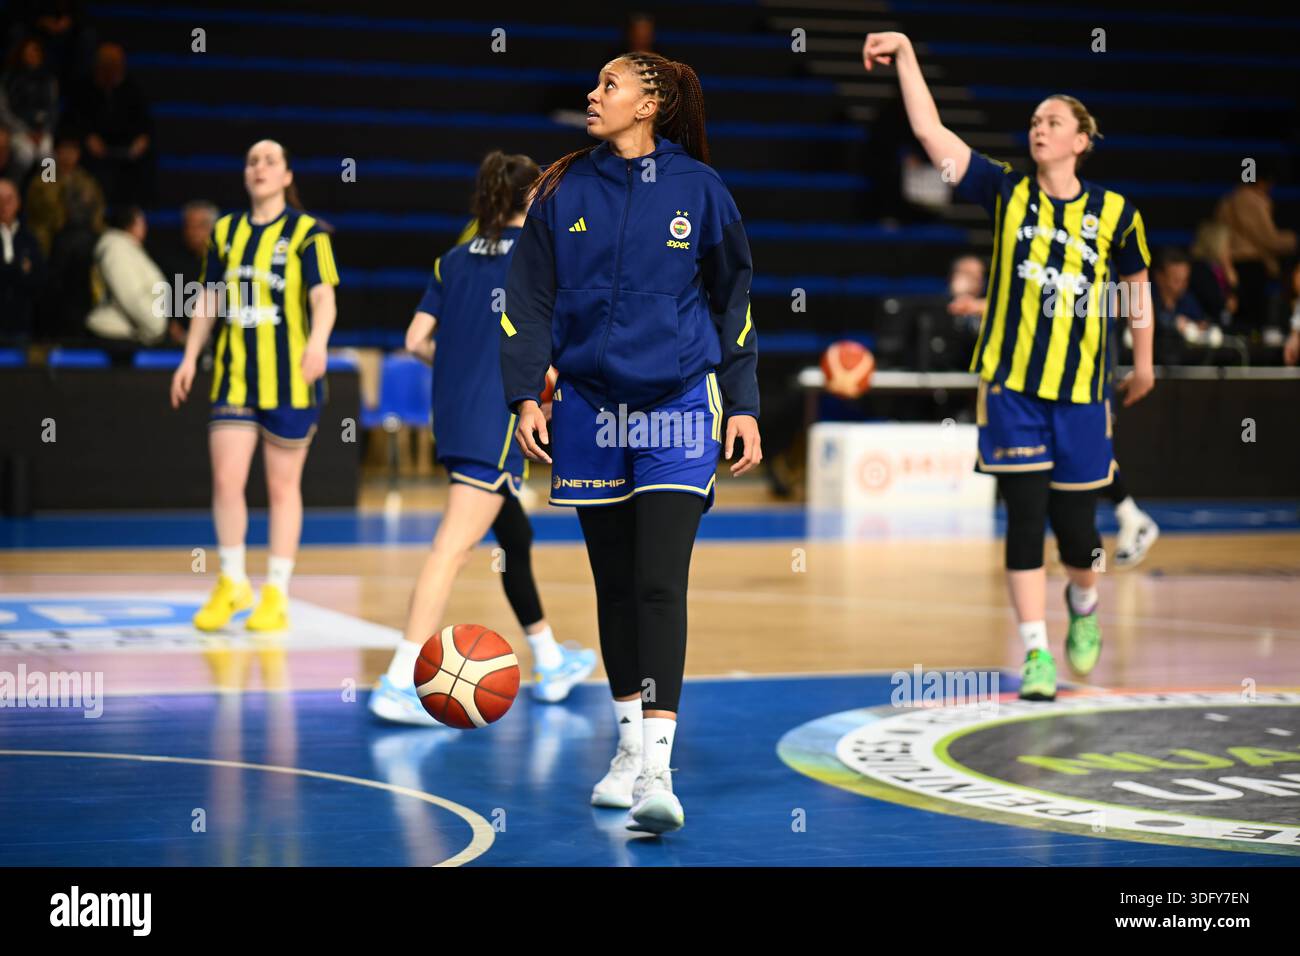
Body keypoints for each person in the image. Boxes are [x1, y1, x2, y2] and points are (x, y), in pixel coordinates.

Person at [501, 52, 761, 834]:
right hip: (586, 409)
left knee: (657, 580)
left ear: (649, 103)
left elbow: (734, 301)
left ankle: (658, 766)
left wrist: (741, 403)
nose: (592, 93)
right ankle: (623, 749)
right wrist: (525, 392)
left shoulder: (702, 191)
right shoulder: (563, 187)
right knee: (614, 584)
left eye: (609, 85)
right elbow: (527, 297)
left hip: (679, 406)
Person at [864, 32, 1155, 702]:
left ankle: (1083, 604)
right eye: (1033, 122)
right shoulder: (1005, 188)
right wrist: (909, 55)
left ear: (1081, 139)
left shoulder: (1116, 213)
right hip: (1013, 388)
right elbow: (930, 131)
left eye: (1052, 121)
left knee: (1078, 534)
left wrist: (1144, 362)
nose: (1038, 129)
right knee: (1024, 520)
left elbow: (1137, 290)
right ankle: (1035, 653)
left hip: (1082, 393)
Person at [369, 150, 597, 726]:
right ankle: (398, 681)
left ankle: (547, 659)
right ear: (530, 198)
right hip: (496, 417)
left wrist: (460, 364)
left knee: (513, 536)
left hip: (452, 415)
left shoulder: (452, 259)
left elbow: (416, 339)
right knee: (450, 549)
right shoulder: (538, 255)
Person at [170, 140, 339, 634]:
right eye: (251, 161)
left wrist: (319, 343)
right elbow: (208, 298)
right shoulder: (225, 231)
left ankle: (277, 592)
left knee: (282, 488)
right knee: (226, 481)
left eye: (270, 161)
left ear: (287, 176)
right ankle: (231, 580)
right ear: (245, 175)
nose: (259, 167)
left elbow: (323, 299)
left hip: (291, 380)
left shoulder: (307, 233)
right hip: (234, 374)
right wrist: (188, 357)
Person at [1215, 176, 1296, 331]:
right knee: (1251, 319)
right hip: (1250, 264)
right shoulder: (1251, 201)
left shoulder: (1230, 199)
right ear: (1261, 181)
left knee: (1242, 317)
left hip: (1236, 264)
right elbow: (1267, 238)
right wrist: (1292, 240)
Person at [85, 204, 166, 344]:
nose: (145, 227)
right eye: (142, 222)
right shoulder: (117, 249)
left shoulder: (126, 249)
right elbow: (131, 295)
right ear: (131, 224)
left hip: (127, 334)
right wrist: (156, 326)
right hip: (115, 336)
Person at [0, 176, 44, 343]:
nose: (3, 205)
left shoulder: (29, 238)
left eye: (9, 199)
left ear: (18, 202)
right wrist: (19, 269)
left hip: (22, 324)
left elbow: (39, 278)